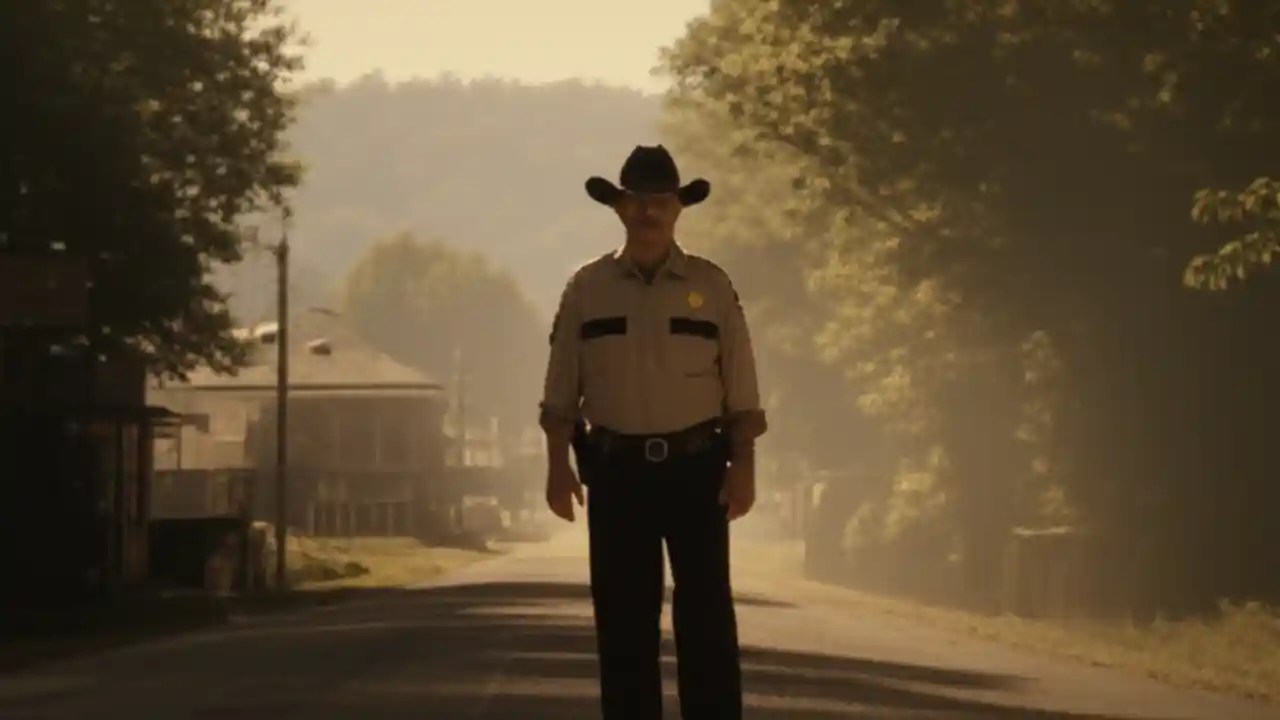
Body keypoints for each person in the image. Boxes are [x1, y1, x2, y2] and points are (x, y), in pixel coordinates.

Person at [539, 144, 768, 719]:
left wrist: (745, 467)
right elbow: (562, 384)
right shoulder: (586, 288)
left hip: (697, 469)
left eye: (661, 202)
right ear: (618, 208)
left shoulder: (712, 286)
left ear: (678, 210)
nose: (649, 213)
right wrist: (556, 465)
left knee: (707, 618)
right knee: (622, 620)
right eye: (638, 202)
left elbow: (740, 381)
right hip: (616, 472)